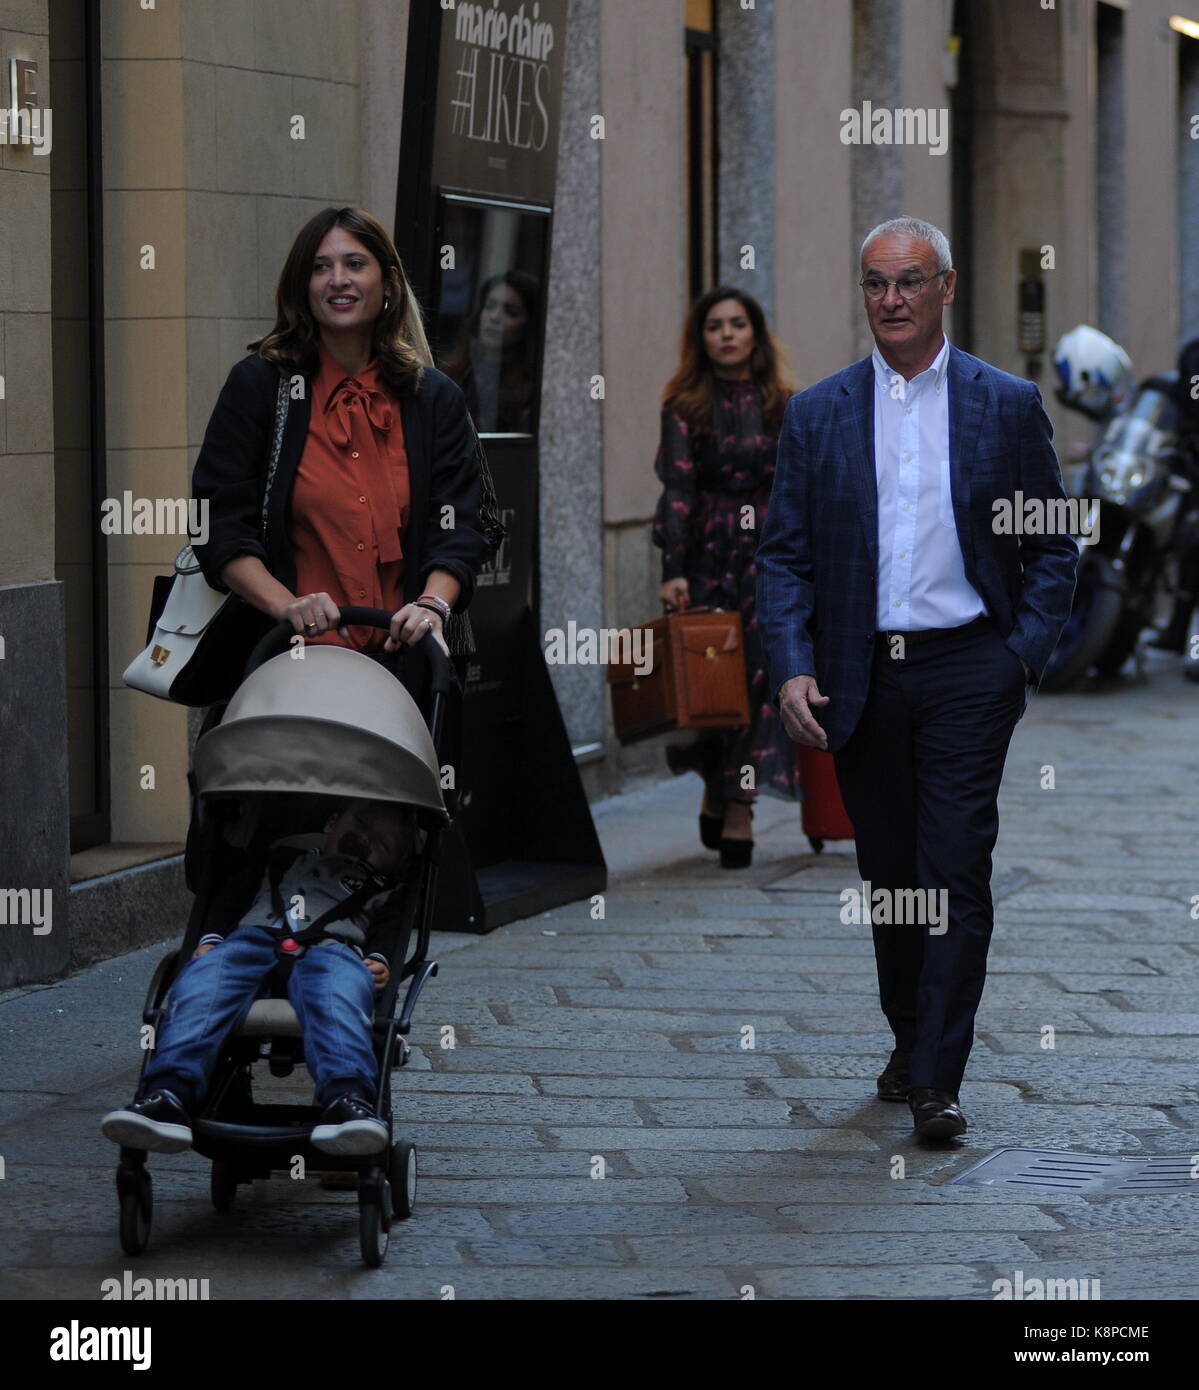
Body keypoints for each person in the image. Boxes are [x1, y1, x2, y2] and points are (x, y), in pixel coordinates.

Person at [756, 216, 1078, 1140]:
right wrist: (792, 667)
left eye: (907, 282)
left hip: (968, 668)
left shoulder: (1004, 404)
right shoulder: (818, 413)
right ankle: (910, 1036)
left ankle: (938, 1075)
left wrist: (1019, 654)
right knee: (891, 874)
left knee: (954, 868)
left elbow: (1052, 541)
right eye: (874, 284)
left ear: (943, 288)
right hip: (861, 678)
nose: (890, 301)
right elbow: (783, 559)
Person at [190, 204, 493, 670]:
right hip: (288, 664)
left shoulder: (434, 398)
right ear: (302, 287)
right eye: (320, 267)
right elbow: (217, 525)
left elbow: (459, 527)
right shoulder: (259, 387)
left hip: (408, 667)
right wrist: (284, 605)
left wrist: (432, 606)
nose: (338, 280)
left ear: (388, 284)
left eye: (355, 264)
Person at [101, 799, 418, 1156]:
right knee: (202, 983)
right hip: (252, 939)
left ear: (395, 865)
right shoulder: (277, 858)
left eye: (383, 844)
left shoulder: (384, 888)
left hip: (333, 948)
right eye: (361, 822)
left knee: (338, 994)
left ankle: (347, 1099)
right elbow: (230, 900)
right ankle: (169, 1091)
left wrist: (379, 959)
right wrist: (211, 939)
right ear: (331, 822)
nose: (366, 838)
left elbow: (390, 931)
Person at [652, 286, 799, 868]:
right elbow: (679, 489)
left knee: (763, 676)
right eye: (716, 326)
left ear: (756, 335)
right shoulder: (684, 404)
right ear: (702, 338)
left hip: (770, 553)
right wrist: (673, 570)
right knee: (715, 679)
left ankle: (740, 805)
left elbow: (797, 483)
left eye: (739, 324)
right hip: (709, 551)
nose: (728, 334)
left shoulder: (783, 401)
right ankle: (718, 784)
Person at [444, 269, 541, 434]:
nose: (494, 317)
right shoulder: (454, 374)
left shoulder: (531, 390)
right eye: (490, 306)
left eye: (511, 312)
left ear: (528, 325)